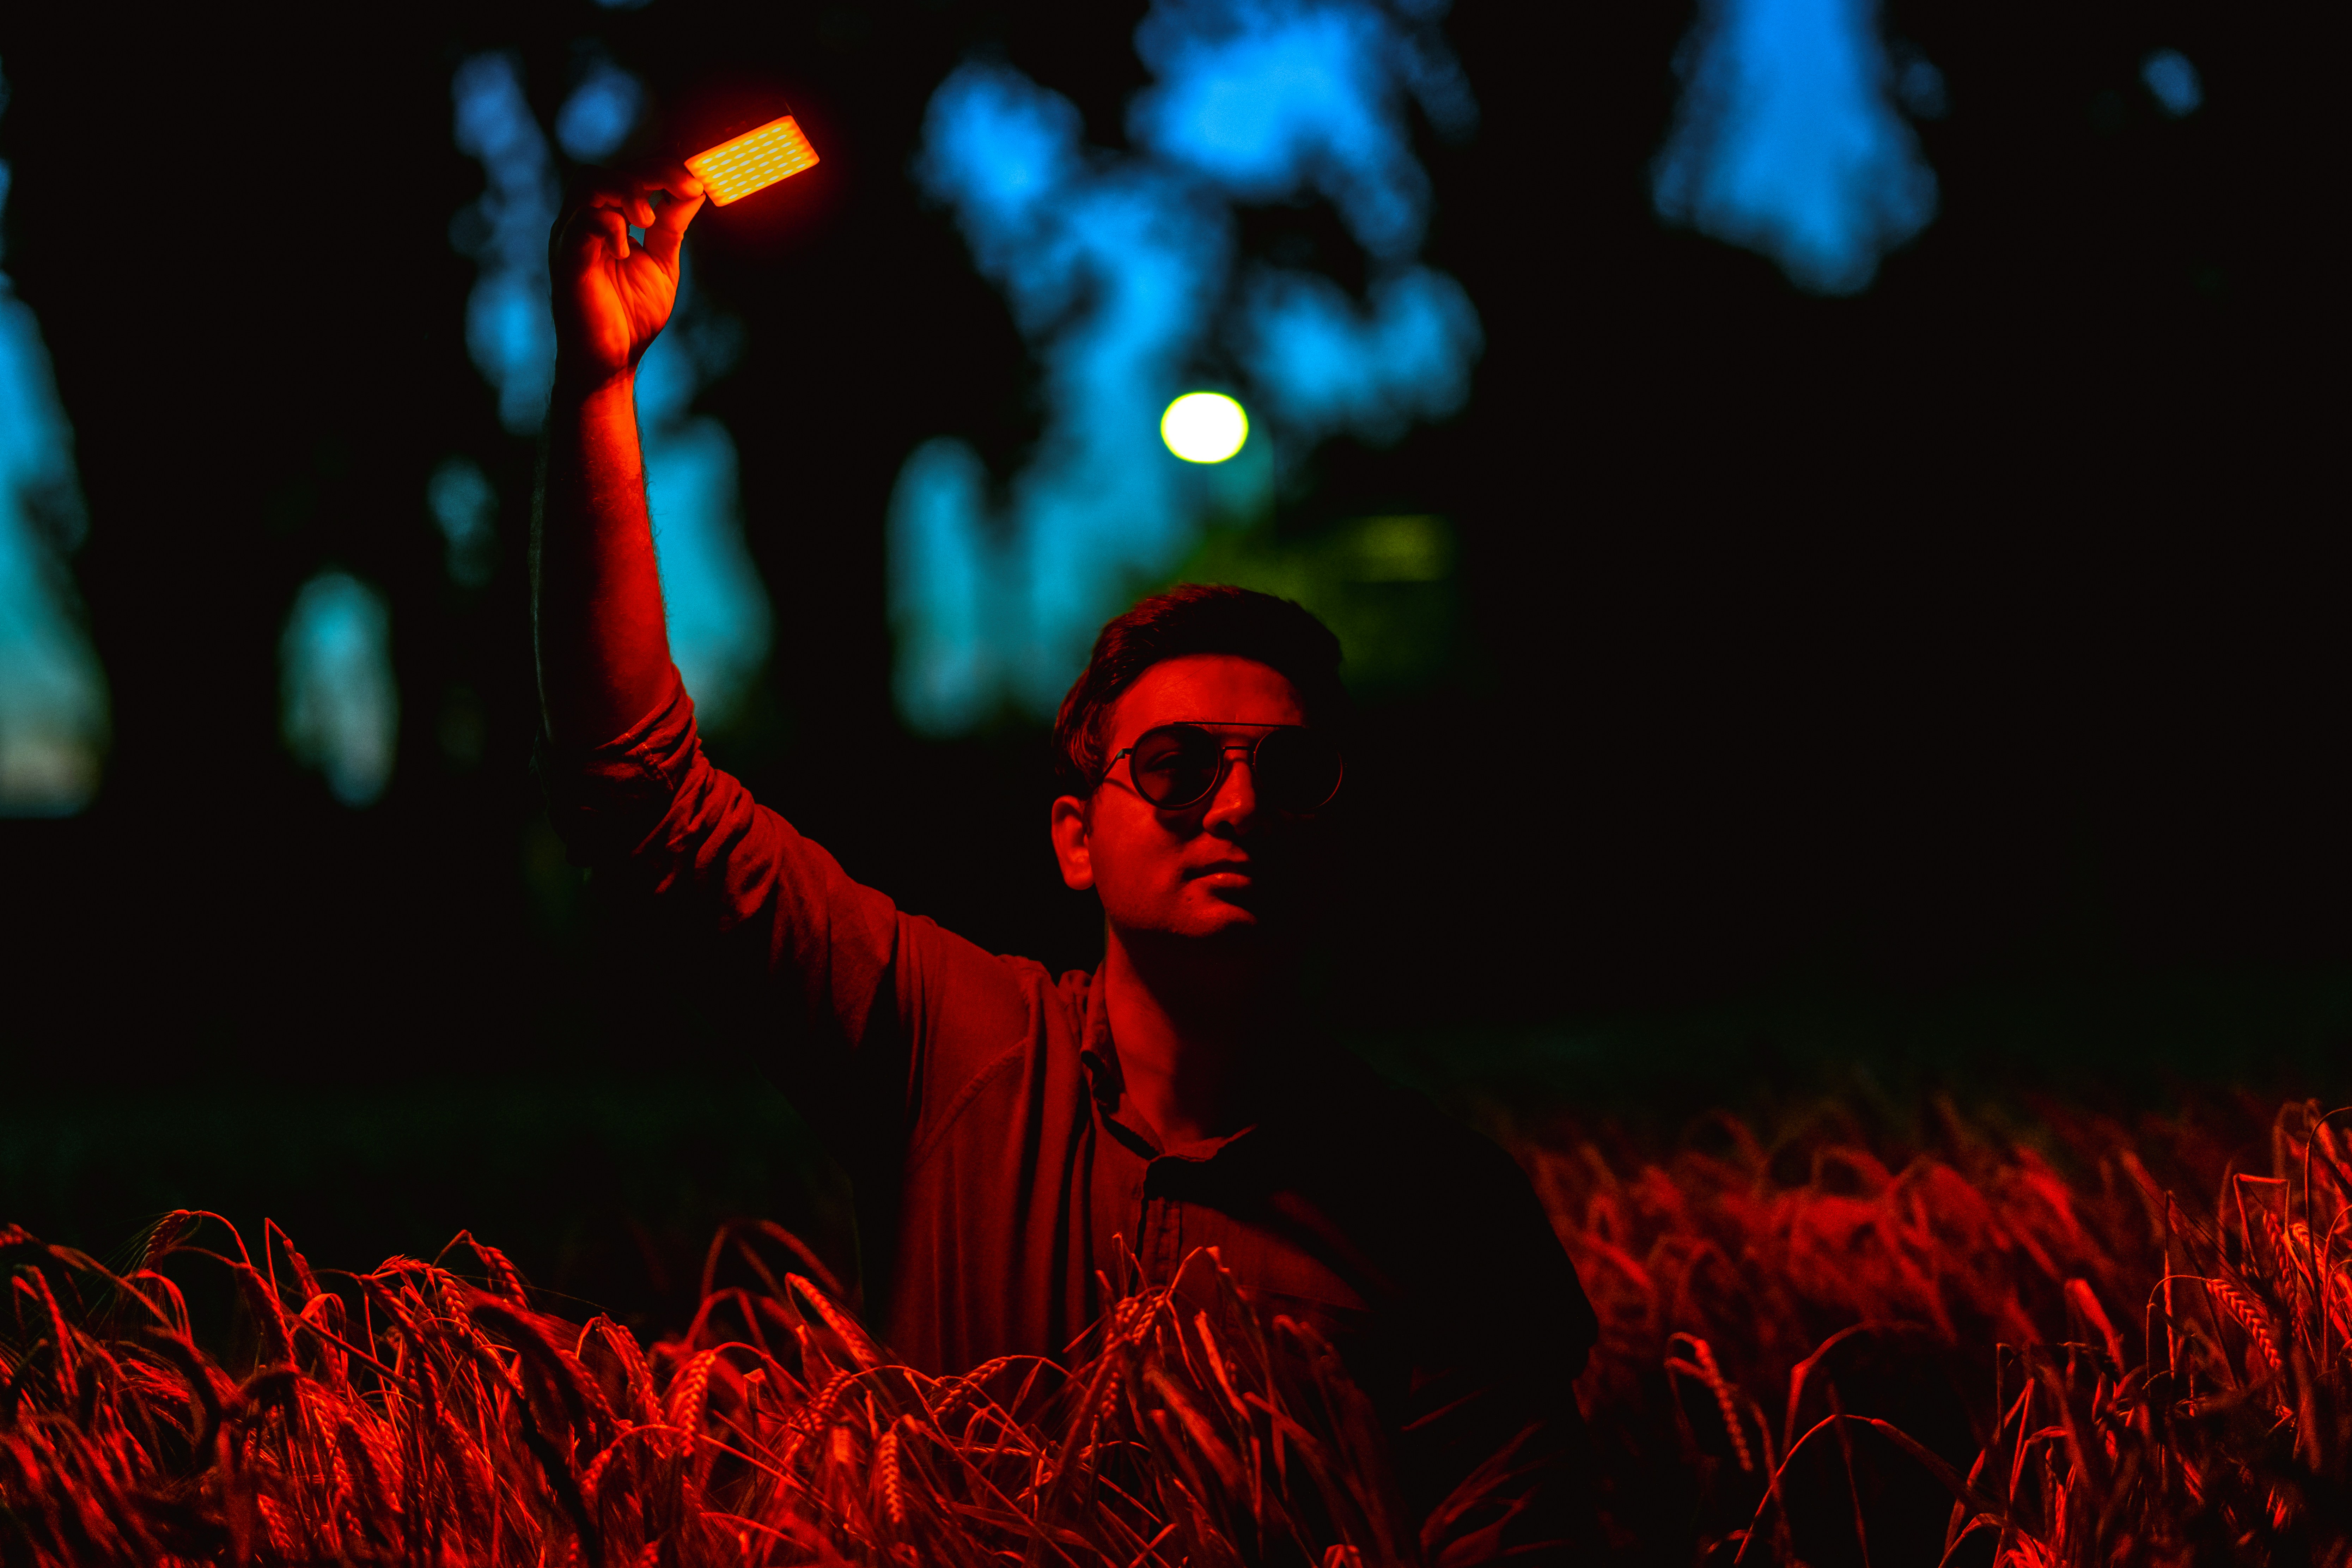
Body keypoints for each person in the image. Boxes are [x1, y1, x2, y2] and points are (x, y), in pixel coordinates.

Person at [534, 164, 1597, 1559]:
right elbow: (643, 789)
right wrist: (600, 385)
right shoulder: (948, 1044)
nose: (1235, 803)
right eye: (1174, 765)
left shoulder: (1446, 1214)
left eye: (1286, 772)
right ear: (1073, 837)